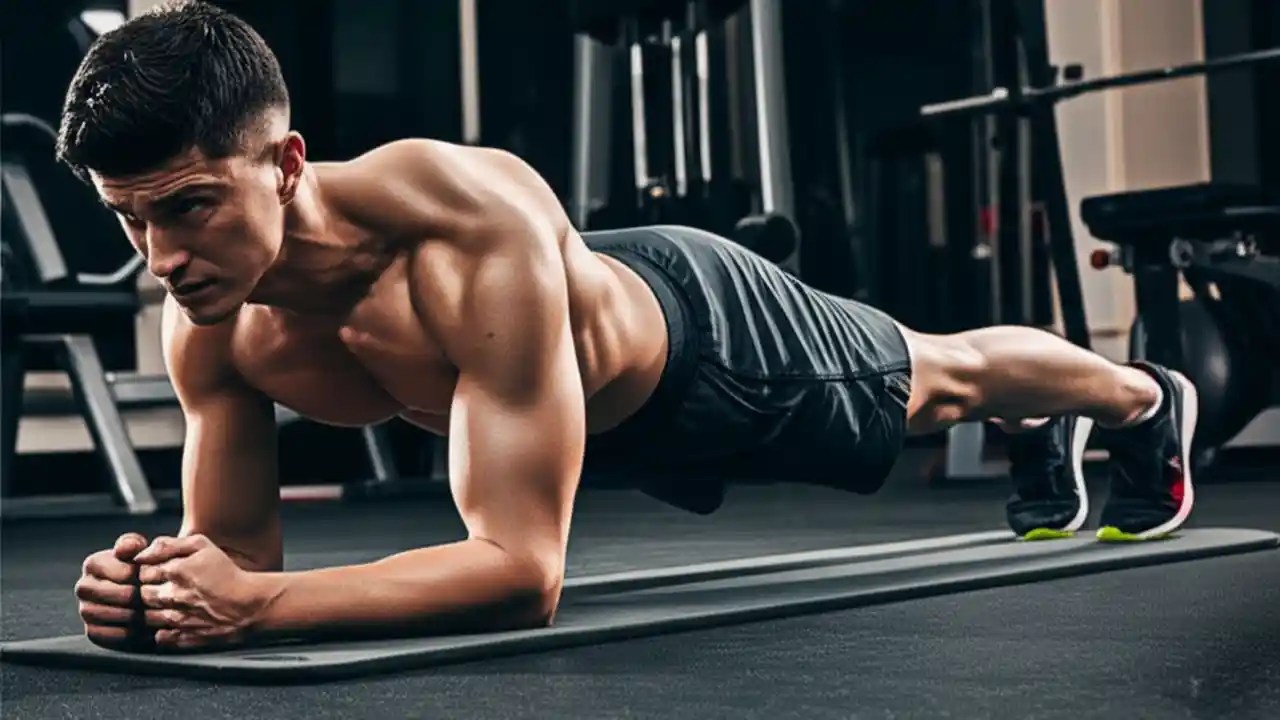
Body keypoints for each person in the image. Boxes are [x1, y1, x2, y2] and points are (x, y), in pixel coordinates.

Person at [62, 1, 1197, 653]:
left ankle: (1139, 398)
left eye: (189, 208)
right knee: (941, 387)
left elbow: (521, 576)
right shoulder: (213, 317)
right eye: (129, 219)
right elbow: (235, 565)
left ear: (285, 164)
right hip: (577, 407)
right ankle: (1056, 419)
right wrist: (158, 590)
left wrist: (263, 606)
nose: (160, 259)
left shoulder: (461, 228)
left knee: (940, 382)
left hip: (707, 348)